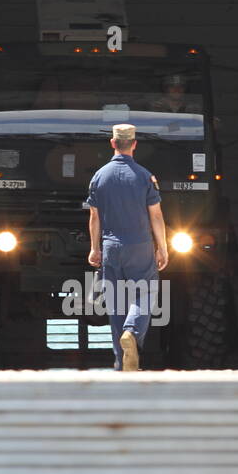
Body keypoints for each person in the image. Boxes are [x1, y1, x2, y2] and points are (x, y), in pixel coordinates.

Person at [86, 124, 168, 371]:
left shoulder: (99, 176)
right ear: (134, 144)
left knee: (116, 303)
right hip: (140, 245)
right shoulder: (145, 176)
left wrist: (94, 248)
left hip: (110, 246)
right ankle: (131, 332)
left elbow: (94, 217)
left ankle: (122, 362)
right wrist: (162, 247)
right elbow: (156, 215)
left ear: (112, 143)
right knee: (145, 292)